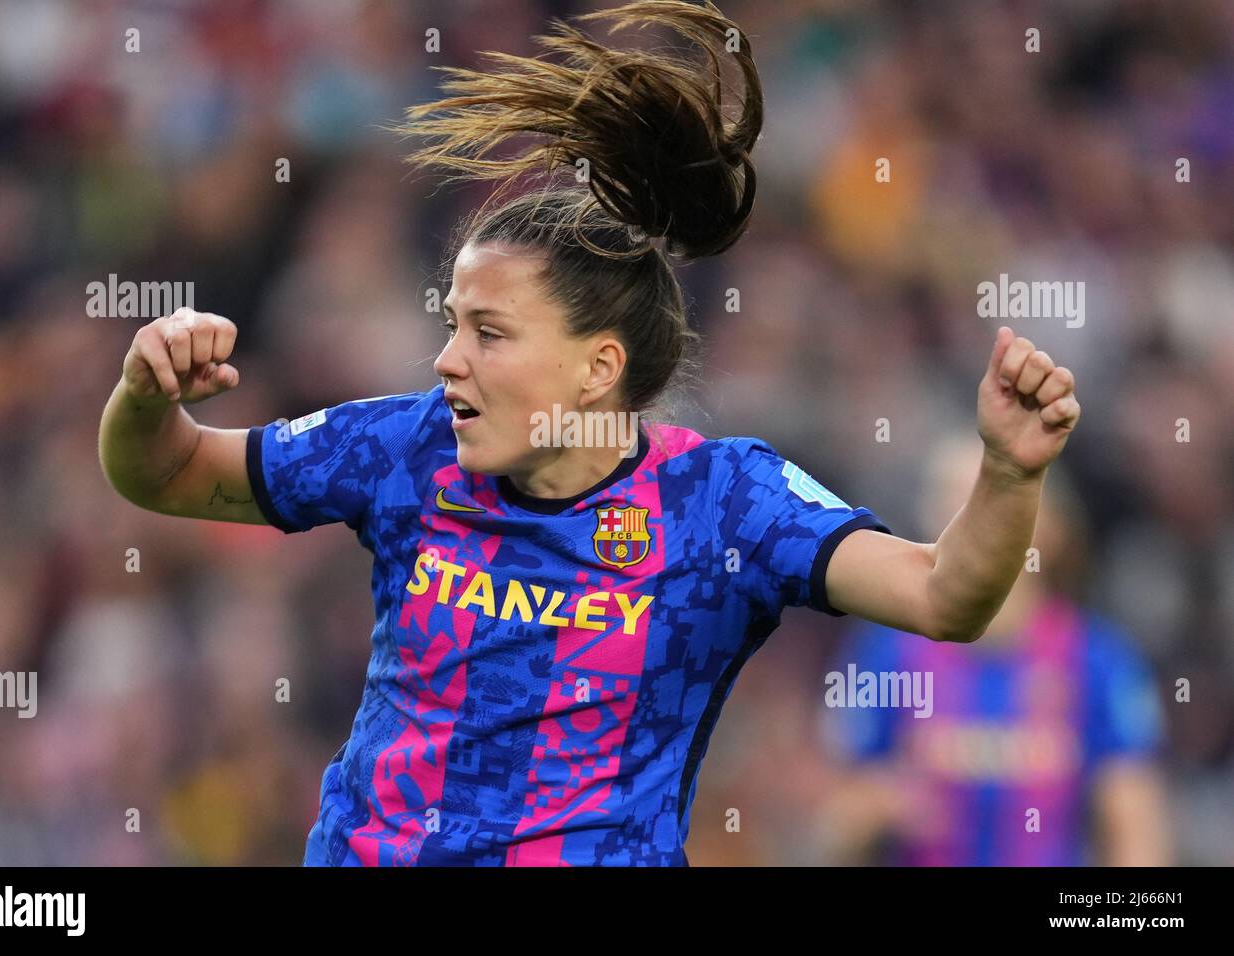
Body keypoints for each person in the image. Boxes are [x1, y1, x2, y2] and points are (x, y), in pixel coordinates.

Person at [97, 1, 1082, 866]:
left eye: (487, 332)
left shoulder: (725, 503)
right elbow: (170, 471)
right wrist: (147, 392)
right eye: (450, 323)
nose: (447, 359)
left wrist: (1007, 469)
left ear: (596, 366)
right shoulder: (406, 448)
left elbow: (945, 593)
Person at [818, 433, 1169, 866]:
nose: (968, 521)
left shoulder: (1099, 661)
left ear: (1051, 525)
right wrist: (879, 805)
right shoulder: (887, 657)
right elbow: (834, 826)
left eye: (987, 496)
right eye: (948, 500)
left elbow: (1135, 830)